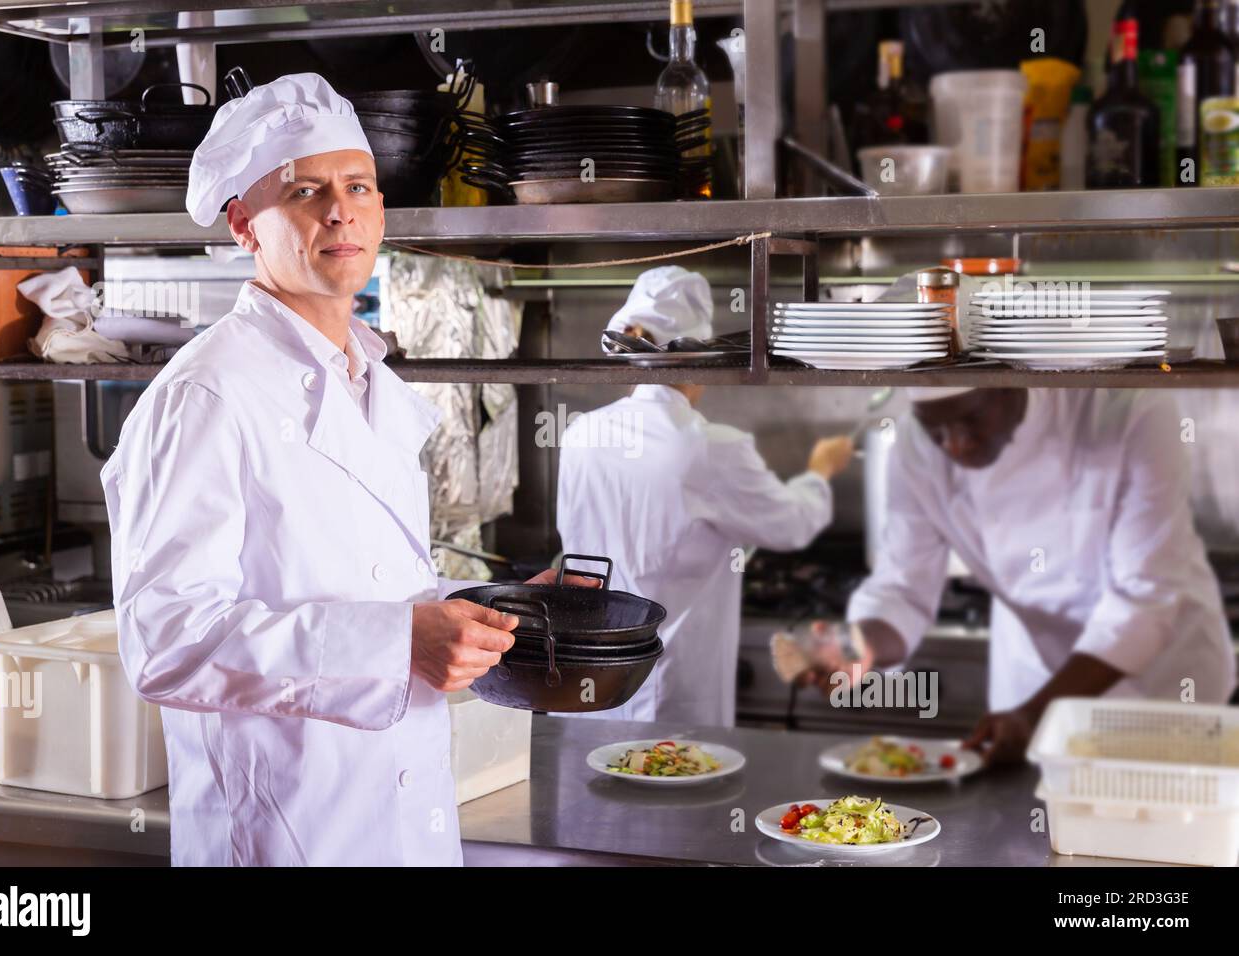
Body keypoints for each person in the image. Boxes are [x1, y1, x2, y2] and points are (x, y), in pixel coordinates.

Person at [101, 73, 594, 866]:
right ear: (243, 225)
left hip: (401, 816)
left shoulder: (367, 378)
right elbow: (165, 640)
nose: (341, 210)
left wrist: (495, 608)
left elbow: (370, 587)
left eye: (358, 185)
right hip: (284, 833)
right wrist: (396, 643)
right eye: (303, 190)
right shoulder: (205, 395)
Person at [792, 386, 1236, 764]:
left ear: (1009, 382)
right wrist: (859, 649)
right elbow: (904, 585)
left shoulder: (1127, 409)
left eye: (970, 420)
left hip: (1162, 678)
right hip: (1029, 678)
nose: (955, 446)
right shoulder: (913, 445)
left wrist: (1035, 712)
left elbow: (1143, 596)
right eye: (936, 429)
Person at [556, 266, 854, 727]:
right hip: (671, 692)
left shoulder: (578, 433)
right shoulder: (711, 445)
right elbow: (791, 524)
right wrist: (819, 471)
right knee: (671, 786)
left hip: (586, 682)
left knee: (591, 791)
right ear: (701, 355)